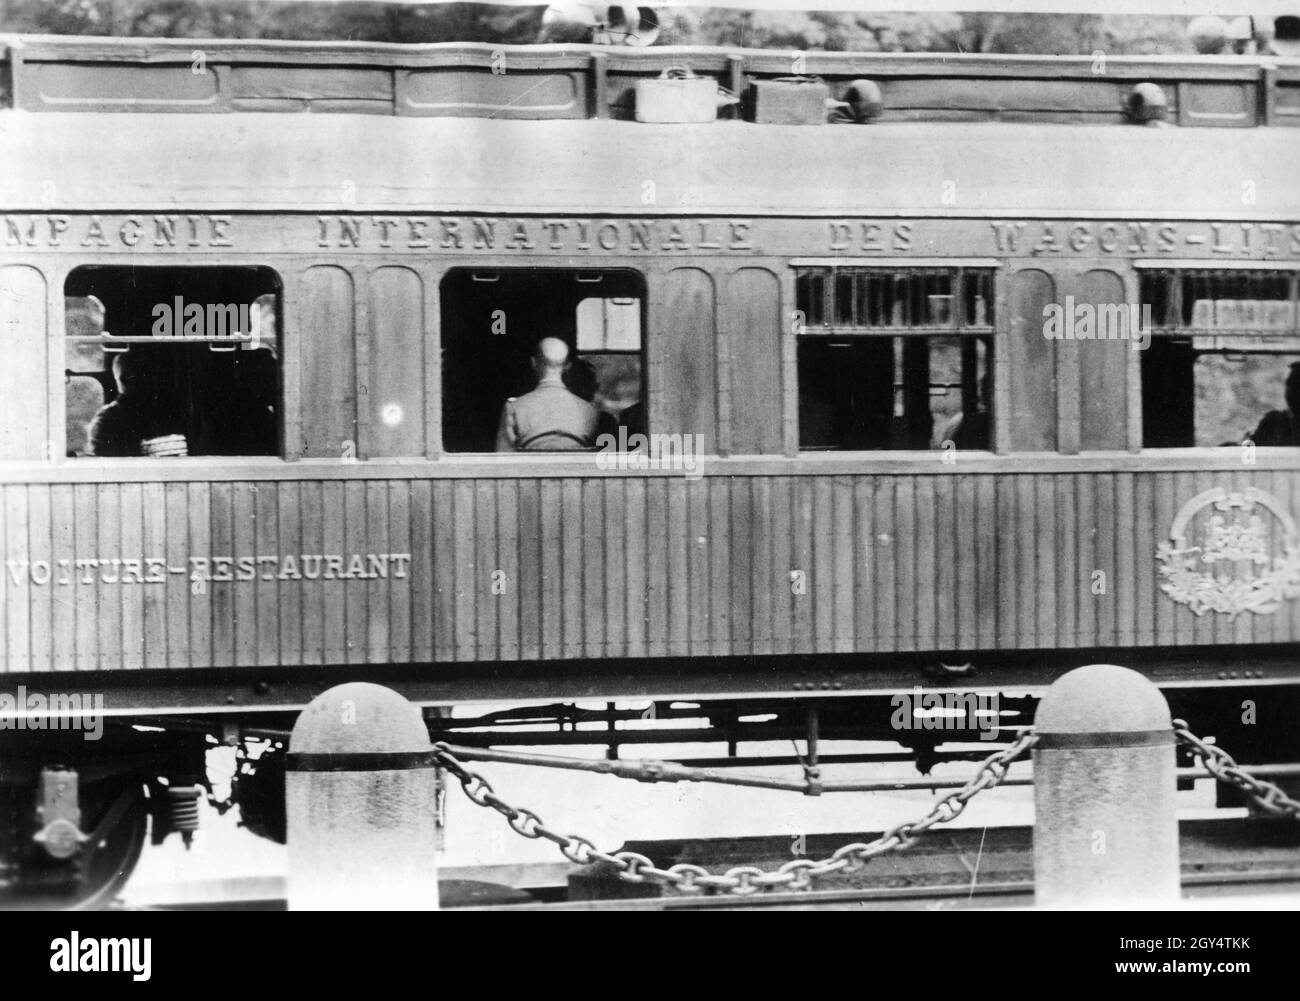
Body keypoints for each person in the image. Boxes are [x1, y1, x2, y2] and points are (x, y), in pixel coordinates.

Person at [495, 338, 599, 451]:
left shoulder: (514, 408)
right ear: (567, 366)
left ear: (533, 363)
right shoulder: (590, 411)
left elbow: (502, 459)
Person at [88, 351, 178, 456]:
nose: (135, 384)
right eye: (128, 379)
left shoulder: (163, 413)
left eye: (140, 377)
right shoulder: (106, 420)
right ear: (120, 380)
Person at [1247, 362, 1300, 447]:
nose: (1291, 390)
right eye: (1289, 384)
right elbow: (1251, 449)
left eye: (1297, 386)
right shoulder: (1272, 421)